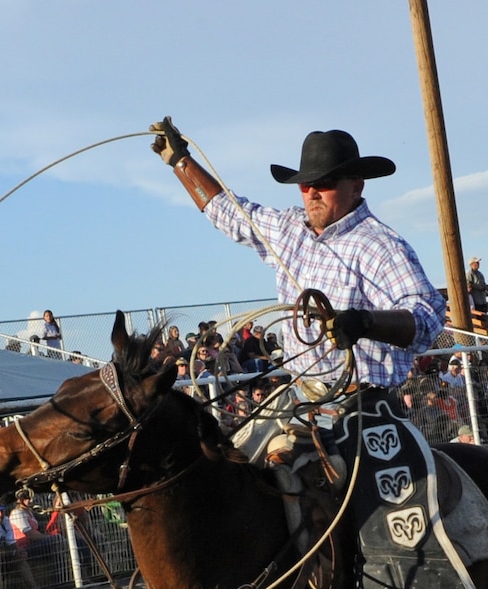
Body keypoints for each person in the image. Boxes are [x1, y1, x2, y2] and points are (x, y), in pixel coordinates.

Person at [150, 120, 443, 397]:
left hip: (364, 405)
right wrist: (180, 162)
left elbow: (427, 317)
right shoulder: (289, 229)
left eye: (326, 182)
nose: (313, 192)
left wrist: (366, 322)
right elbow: (230, 213)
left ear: (356, 186)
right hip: (301, 397)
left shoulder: (381, 246)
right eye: (306, 184)